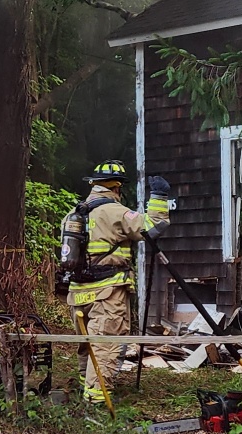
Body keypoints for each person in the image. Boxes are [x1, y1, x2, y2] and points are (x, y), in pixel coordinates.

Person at [66, 161, 172, 402]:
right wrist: (159, 197)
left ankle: (86, 387)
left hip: (78, 293)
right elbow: (153, 226)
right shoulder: (114, 212)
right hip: (107, 292)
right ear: (115, 188)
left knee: (87, 345)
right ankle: (96, 401)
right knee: (105, 346)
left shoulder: (73, 214)